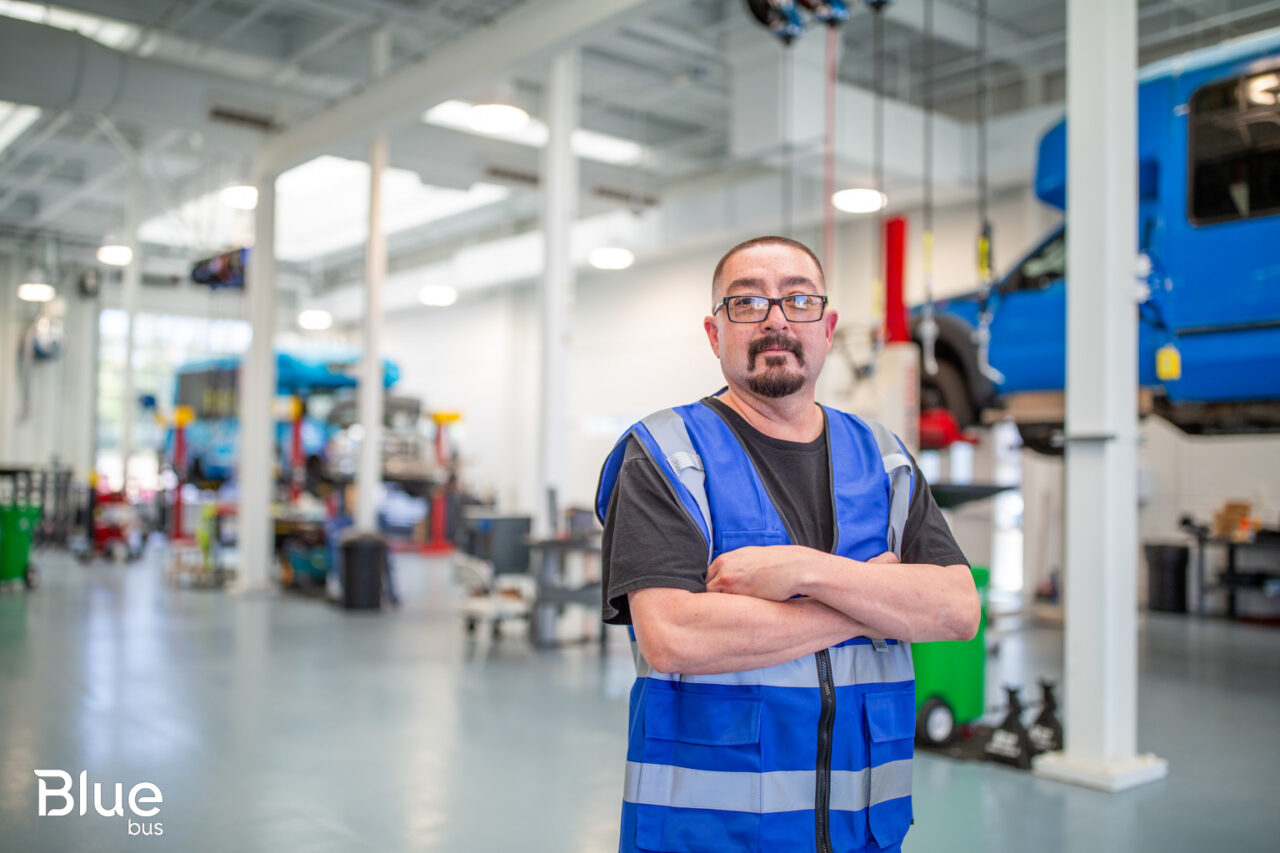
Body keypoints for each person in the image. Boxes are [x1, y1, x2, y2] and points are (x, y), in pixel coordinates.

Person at [595, 235, 980, 853]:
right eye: (746, 303)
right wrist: (870, 598)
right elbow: (675, 636)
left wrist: (806, 571)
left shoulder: (884, 460)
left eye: (798, 300)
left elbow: (957, 610)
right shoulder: (666, 455)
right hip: (710, 833)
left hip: (862, 831)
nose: (775, 319)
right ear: (714, 333)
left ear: (827, 328)